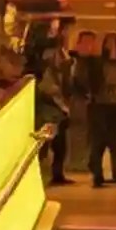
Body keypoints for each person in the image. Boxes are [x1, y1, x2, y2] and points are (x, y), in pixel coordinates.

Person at [84, 33, 116, 188]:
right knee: (99, 141)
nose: (111, 46)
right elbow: (91, 80)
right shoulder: (97, 62)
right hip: (100, 104)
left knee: (115, 141)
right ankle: (97, 175)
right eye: (109, 43)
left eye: (114, 43)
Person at [29, 27, 74, 187]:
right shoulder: (45, 71)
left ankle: (54, 174)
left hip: (55, 113)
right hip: (49, 113)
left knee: (58, 146)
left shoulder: (59, 70)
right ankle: (43, 175)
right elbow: (49, 91)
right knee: (46, 147)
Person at [65, 30, 98, 175]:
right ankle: (75, 162)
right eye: (86, 42)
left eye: (91, 43)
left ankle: (85, 161)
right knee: (77, 131)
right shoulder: (71, 61)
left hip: (90, 101)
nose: (89, 46)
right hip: (77, 99)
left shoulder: (93, 62)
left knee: (89, 132)